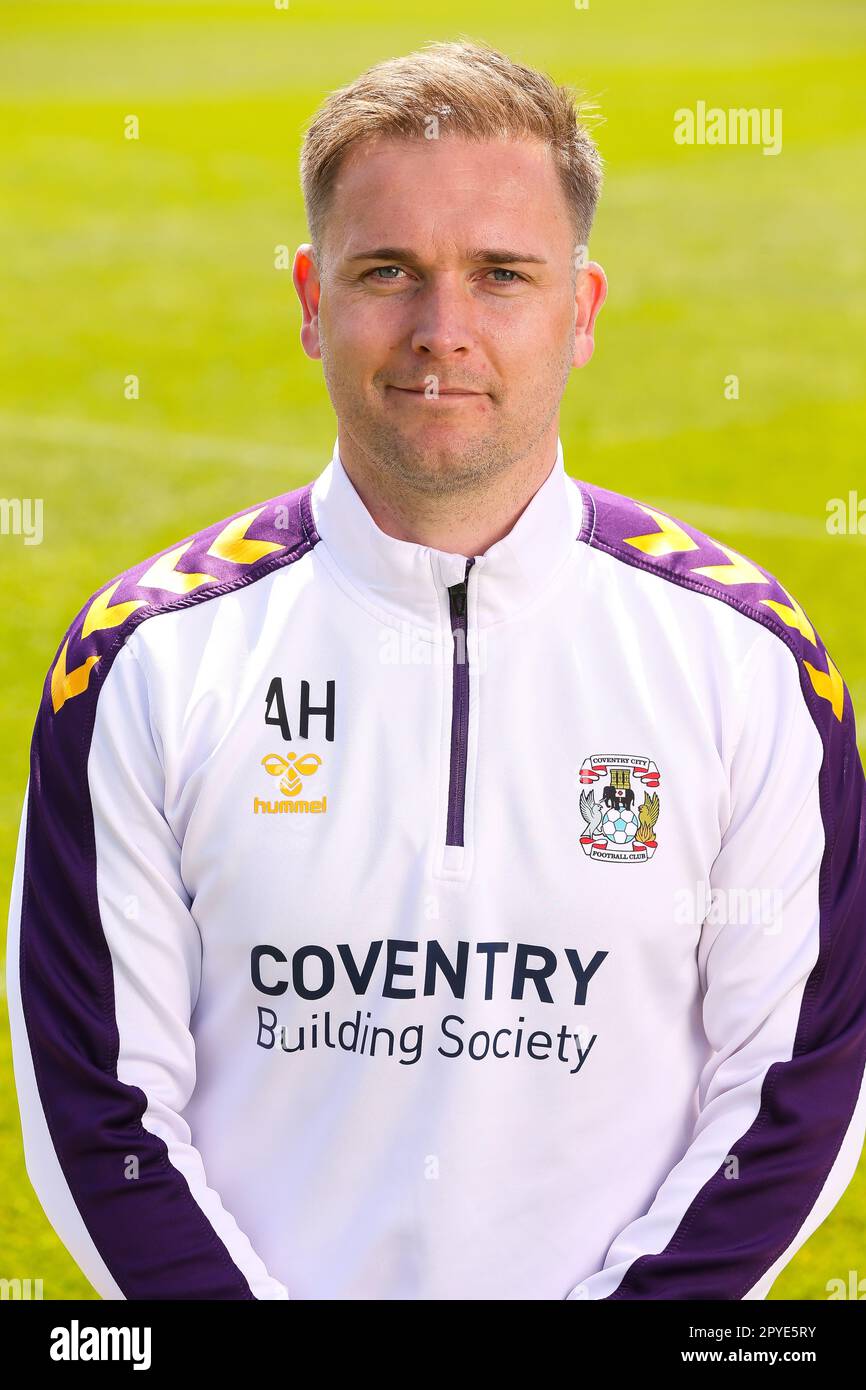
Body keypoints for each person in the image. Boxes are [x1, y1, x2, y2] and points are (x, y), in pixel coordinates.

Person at [7, 39, 866, 1302]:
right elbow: (95, 1102)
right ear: (311, 296)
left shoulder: (745, 658)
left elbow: (795, 1079)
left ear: (580, 310)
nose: (440, 330)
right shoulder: (142, 658)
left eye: (501, 275)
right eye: (387, 271)